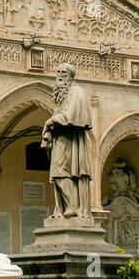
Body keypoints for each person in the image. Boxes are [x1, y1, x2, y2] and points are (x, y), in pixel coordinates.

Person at [42, 63, 94, 218]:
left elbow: (71, 115)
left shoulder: (77, 92)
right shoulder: (61, 96)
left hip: (71, 140)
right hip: (61, 139)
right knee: (58, 172)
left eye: (63, 72)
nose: (59, 75)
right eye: (58, 72)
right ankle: (66, 207)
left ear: (71, 76)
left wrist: (50, 122)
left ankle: (73, 206)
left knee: (62, 171)